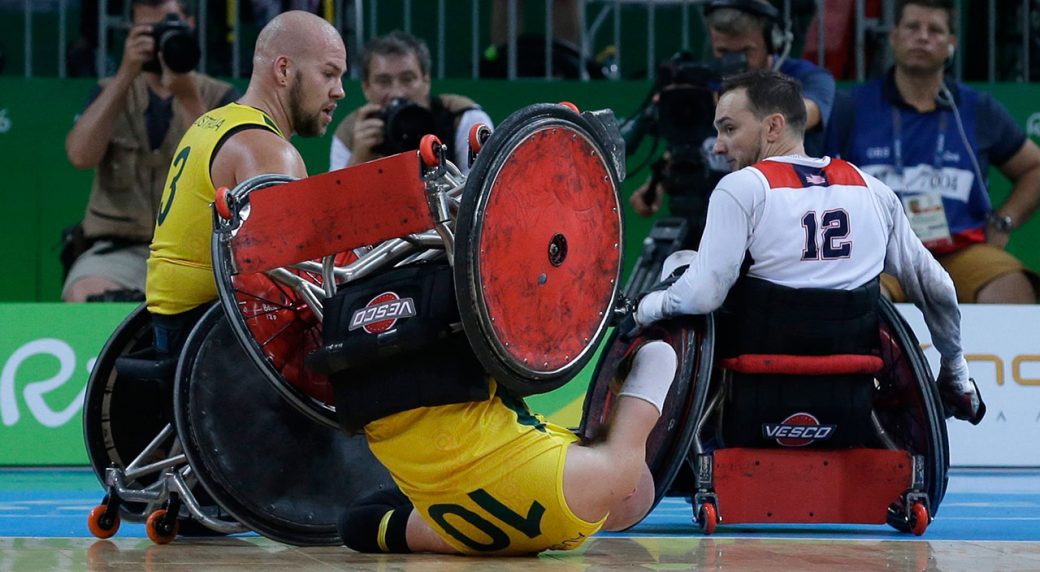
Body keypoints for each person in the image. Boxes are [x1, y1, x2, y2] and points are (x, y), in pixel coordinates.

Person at [634, 69, 984, 426]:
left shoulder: (740, 188)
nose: (718, 145)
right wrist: (955, 370)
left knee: (681, 266)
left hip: (752, 377)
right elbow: (937, 287)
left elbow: (702, 297)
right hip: (852, 380)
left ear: (773, 127)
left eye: (729, 129)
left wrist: (645, 306)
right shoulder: (873, 190)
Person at [145, 10, 346, 357]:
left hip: (170, 330)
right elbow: (295, 283)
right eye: (329, 74)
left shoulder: (213, 121)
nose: (339, 91)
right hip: (212, 346)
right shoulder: (267, 151)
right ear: (283, 70)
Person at [826, 0, 1040, 303]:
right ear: (894, 35)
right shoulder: (852, 106)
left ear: (951, 43)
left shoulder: (977, 109)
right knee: (864, 299)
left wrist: (1004, 221)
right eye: (913, 27)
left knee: (1012, 289)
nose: (923, 36)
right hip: (880, 254)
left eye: (935, 30)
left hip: (960, 251)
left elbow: (1035, 168)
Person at [63, 0, 240, 303]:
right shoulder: (109, 90)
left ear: (190, 25)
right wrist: (125, 75)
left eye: (168, 27)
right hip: (119, 250)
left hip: (196, 252)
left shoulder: (220, 95)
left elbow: (224, 170)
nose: (159, 41)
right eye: (149, 30)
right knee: (83, 291)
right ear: (132, 33)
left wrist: (187, 97)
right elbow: (80, 157)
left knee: (233, 296)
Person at [629, 0, 836, 239]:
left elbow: (802, 115)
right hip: (715, 224)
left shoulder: (809, 79)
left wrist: (728, 107)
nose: (735, 63)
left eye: (746, 51)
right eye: (723, 52)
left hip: (786, 224)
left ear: (771, 42)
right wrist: (658, 183)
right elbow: (689, 142)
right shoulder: (705, 85)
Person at [329, 31, 493, 174]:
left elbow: (482, 195)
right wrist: (359, 158)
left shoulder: (463, 117)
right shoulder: (351, 131)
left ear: (426, 79)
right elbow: (334, 205)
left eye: (407, 79)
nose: (397, 93)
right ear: (366, 88)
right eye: (383, 81)